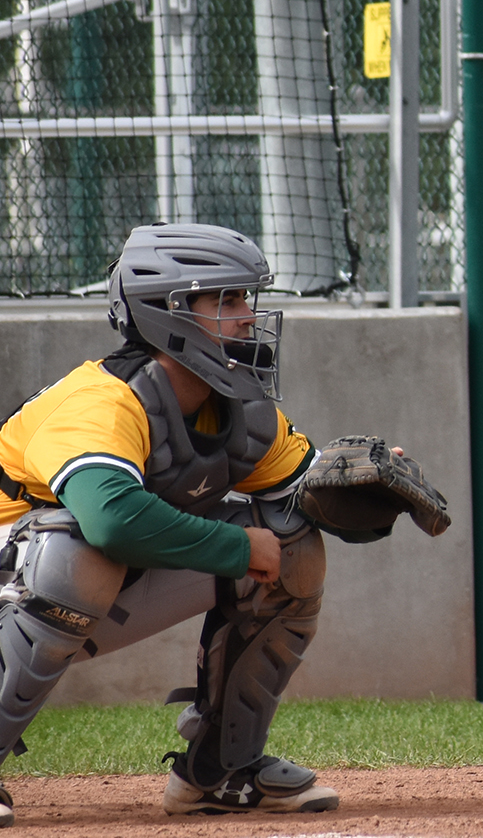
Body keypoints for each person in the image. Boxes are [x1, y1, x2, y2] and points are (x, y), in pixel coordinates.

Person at [0, 224, 366, 821]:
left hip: (61, 596)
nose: (248, 316)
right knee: (75, 549)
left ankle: (219, 771)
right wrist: (234, 544)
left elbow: (308, 496)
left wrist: (366, 493)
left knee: (290, 544)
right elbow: (113, 520)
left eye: (247, 297)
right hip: (23, 581)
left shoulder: (239, 413)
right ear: (167, 314)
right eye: (226, 299)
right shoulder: (100, 402)